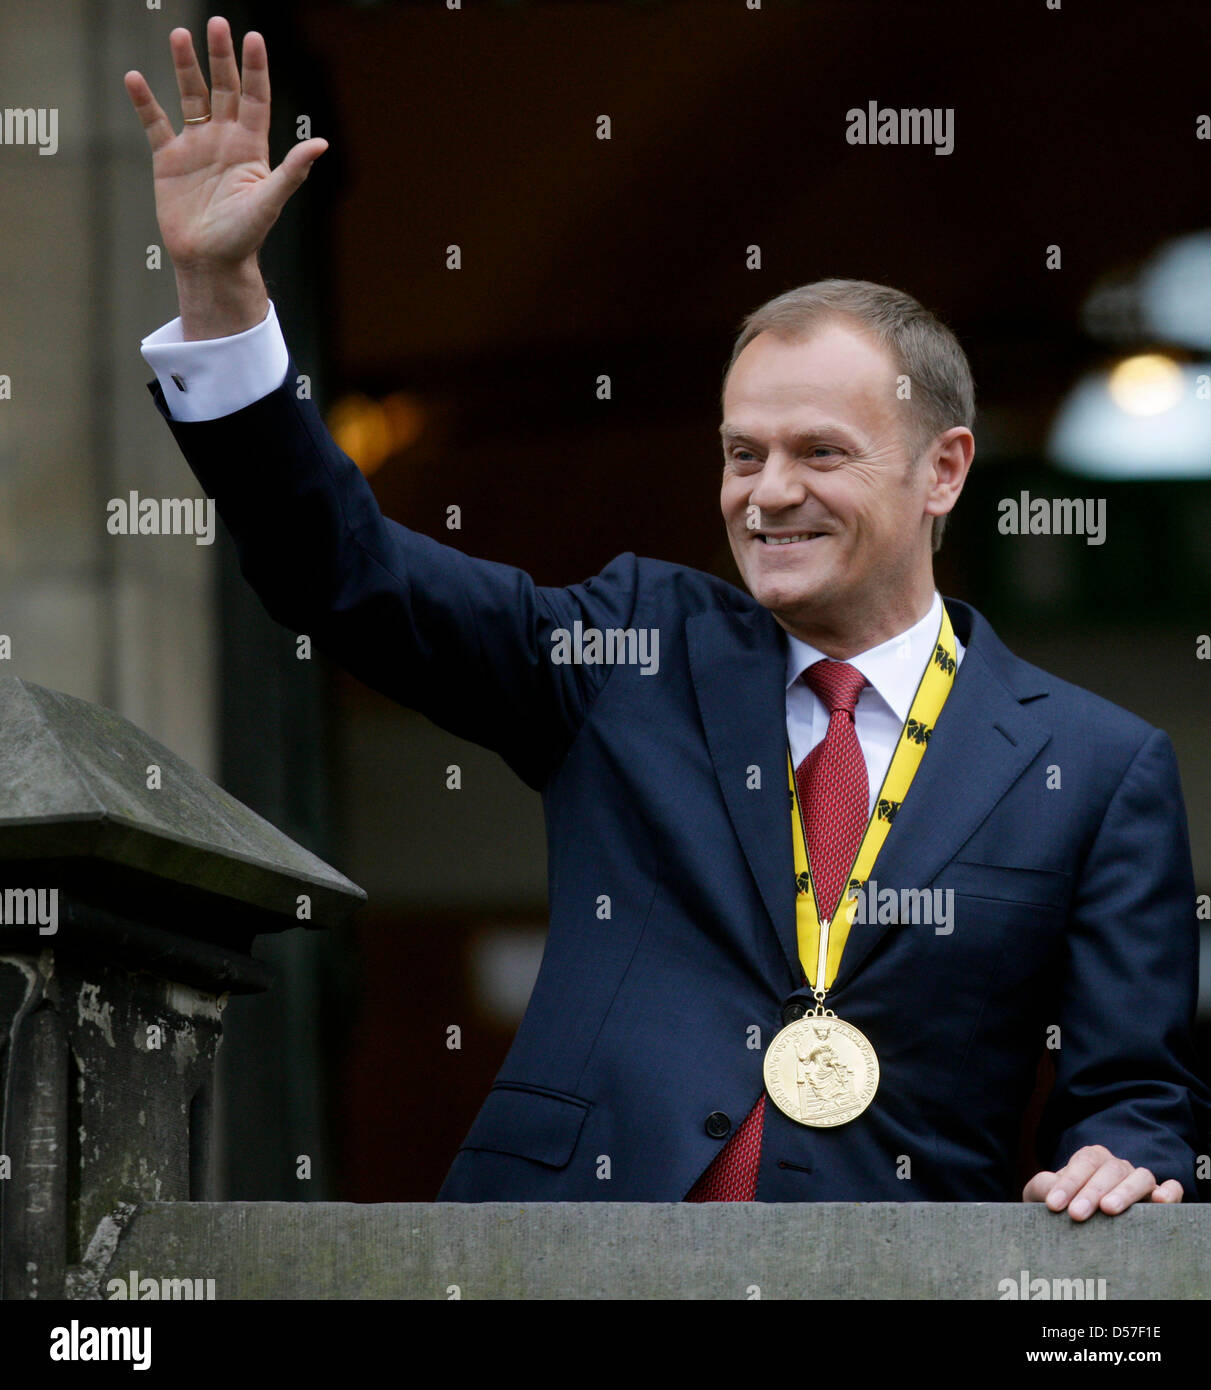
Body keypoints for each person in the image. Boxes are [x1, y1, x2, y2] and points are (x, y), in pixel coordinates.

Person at [125, 17, 1209, 1216]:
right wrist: (222, 299)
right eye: (742, 452)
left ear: (942, 470)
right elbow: (350, 574)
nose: (767, 491)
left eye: (818, 452)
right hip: (566, 1268)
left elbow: (1135, 1096)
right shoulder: (635, 647)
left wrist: (1126, 1157)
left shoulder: (1095, 768)